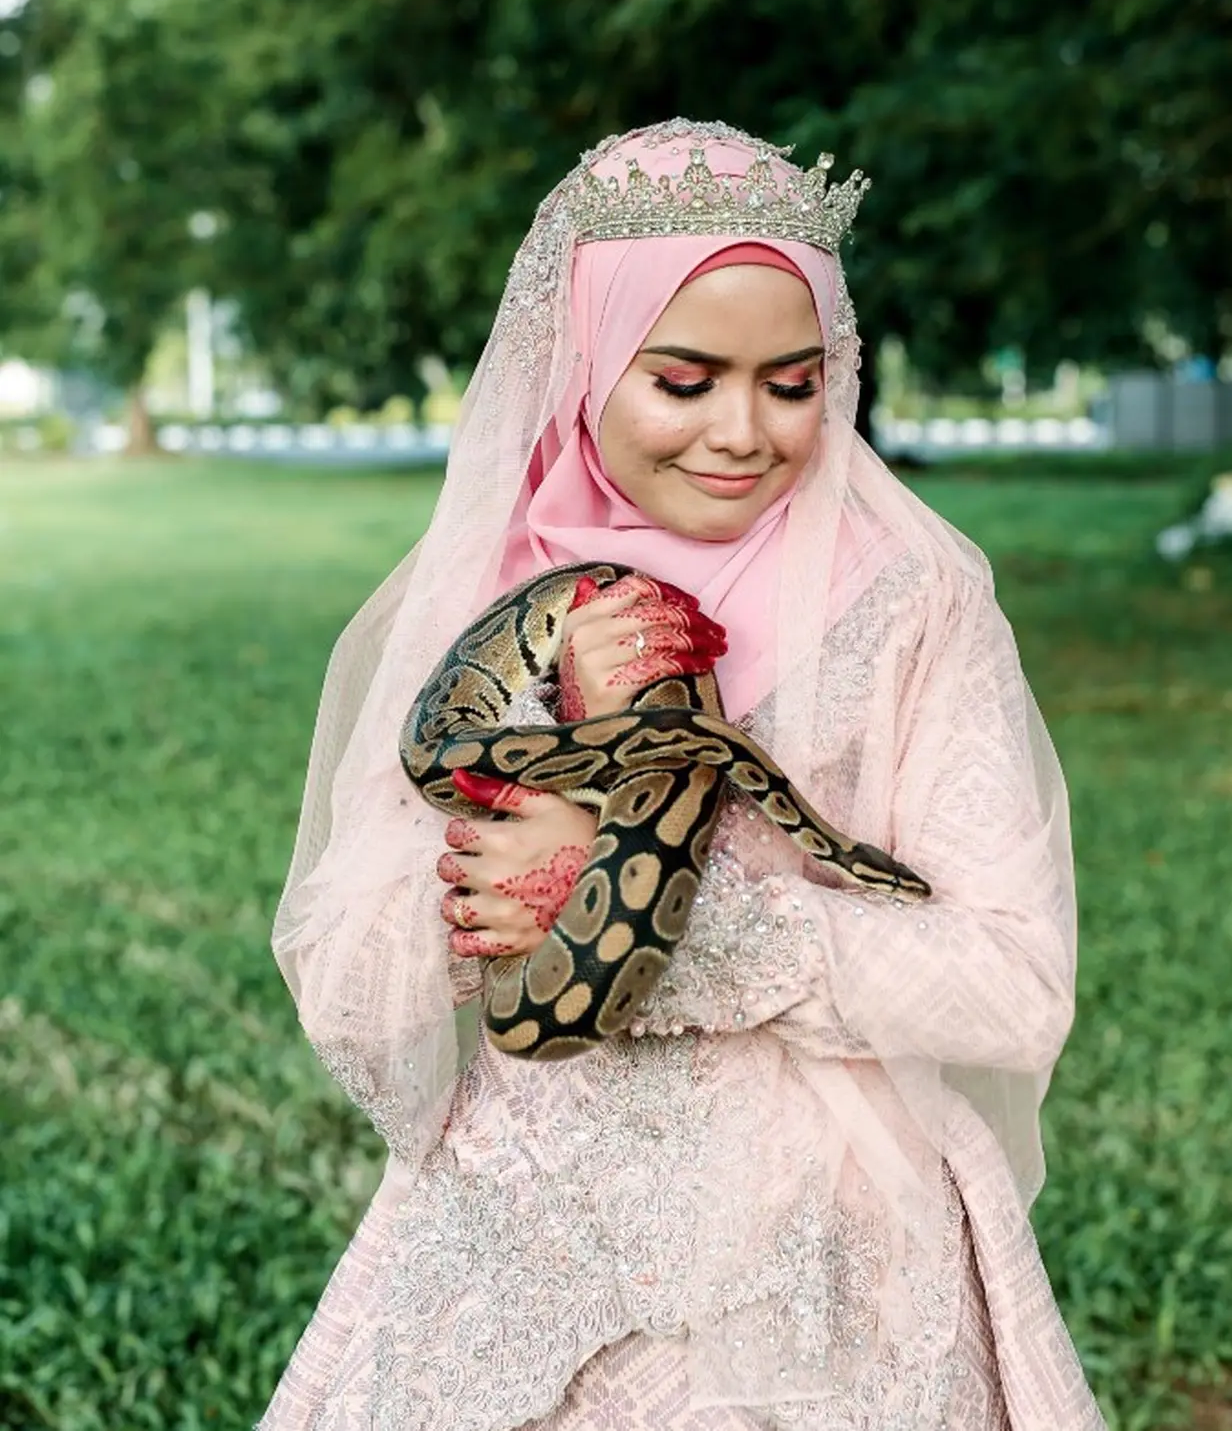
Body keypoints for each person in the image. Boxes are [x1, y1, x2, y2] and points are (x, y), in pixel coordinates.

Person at [261, 120, 1105, 1430]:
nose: (743, 432)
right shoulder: (486, 611)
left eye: (792, 379)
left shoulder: (915, 601)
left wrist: (659, 905)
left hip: (825, 1250)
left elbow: (1017, 983)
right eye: (684, 376)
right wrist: (504, 863)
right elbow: (350, 990)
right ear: (588, 361)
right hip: (514, 1241)